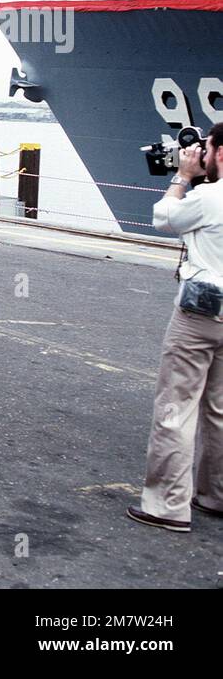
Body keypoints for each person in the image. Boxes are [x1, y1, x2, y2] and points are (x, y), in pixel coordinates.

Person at [126, 125, 223, 532]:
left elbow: (162, 218)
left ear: (219, 154)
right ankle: (216, 494)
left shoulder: (209, 198)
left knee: (176, 406)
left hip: (202, 313)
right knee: (219, 409)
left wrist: (183, 177)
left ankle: (167, 506)